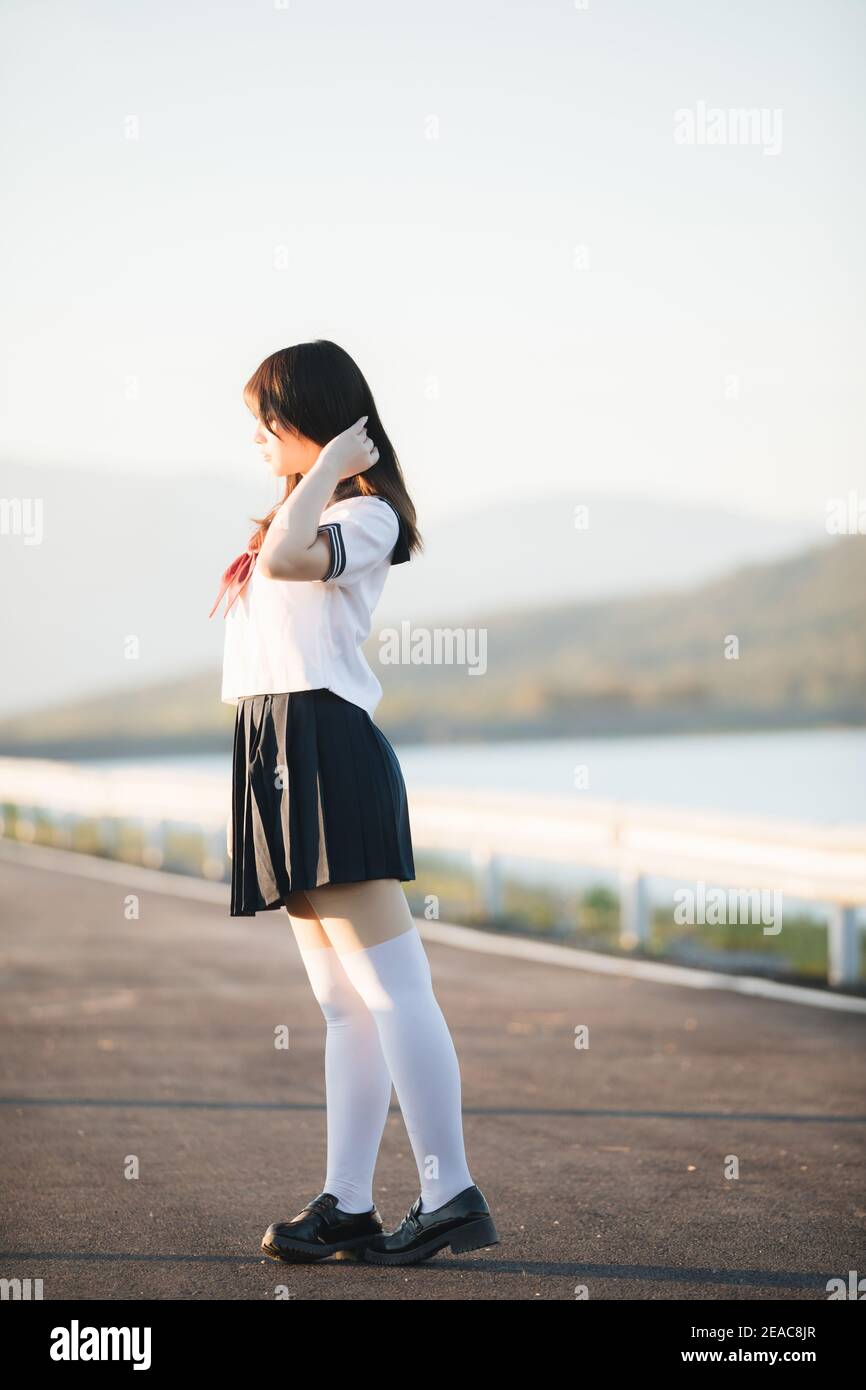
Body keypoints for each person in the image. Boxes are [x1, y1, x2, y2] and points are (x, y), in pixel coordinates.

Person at [210, 339, 499, 1266]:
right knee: (342, 1004)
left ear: (317, 418)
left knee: (392, 988)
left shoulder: (363, 515)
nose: (257, 437)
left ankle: (449, 1189)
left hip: (326, 749)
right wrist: (313, 468)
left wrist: (337, 459)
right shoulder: (299, 509)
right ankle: (347, 1201)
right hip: (274, 747)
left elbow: (295, 561)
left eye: (270, 419)